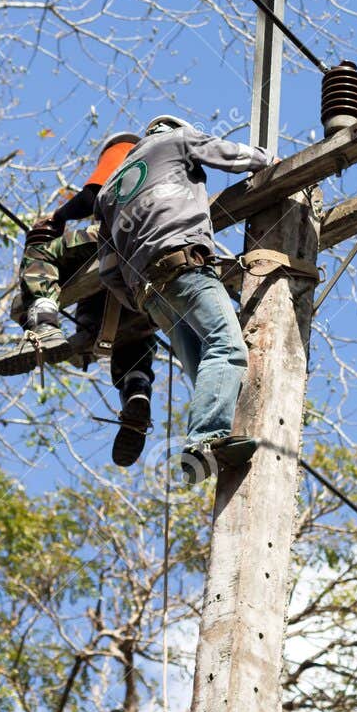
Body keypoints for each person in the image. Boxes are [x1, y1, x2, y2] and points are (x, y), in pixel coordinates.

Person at [95, 114, 277, 484]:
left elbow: (108, 270)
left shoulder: (107, 192)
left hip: (150, 294)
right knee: (227, 348)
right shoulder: (176, 141)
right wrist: (266, 160)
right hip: (183, 267)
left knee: (202, 362)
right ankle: (207, 438)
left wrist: (137, 301)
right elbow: (227, 153)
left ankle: (218, 429)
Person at [0, 132, 158, 467]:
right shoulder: (176, 168)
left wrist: (57, 218)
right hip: (158, 255)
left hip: (116, 233)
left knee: (43, 251)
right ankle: (136, 392)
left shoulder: (127, 150)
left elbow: (93, 196)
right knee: (137, 333)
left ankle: (44, 326)